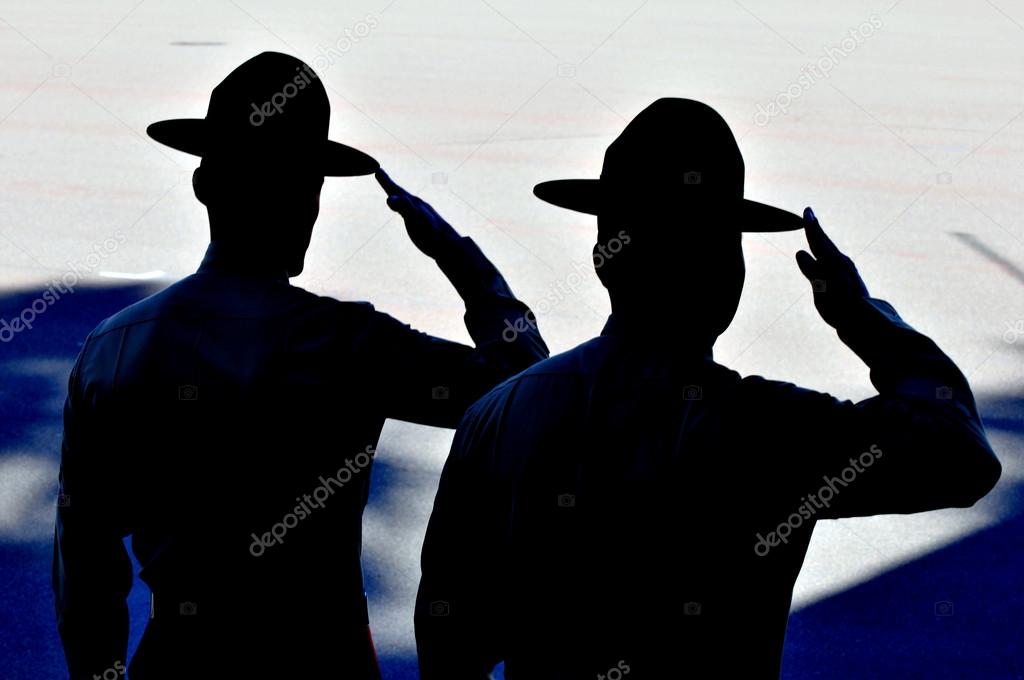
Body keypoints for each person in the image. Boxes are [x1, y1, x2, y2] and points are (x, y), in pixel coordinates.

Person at [414, 98, 1001, 679]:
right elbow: (961, 455)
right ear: (728, 273)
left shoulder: (494, 416)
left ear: (604, 257)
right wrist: (869, 320)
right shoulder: (769, 430)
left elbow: (448, 642)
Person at [52, 51, 548, 680]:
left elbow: (85, 566)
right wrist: (467, 265)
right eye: (306, 186)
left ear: (204, 185)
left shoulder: (113, 347)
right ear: (308, 198)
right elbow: (528, 392)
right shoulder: (351, 343)